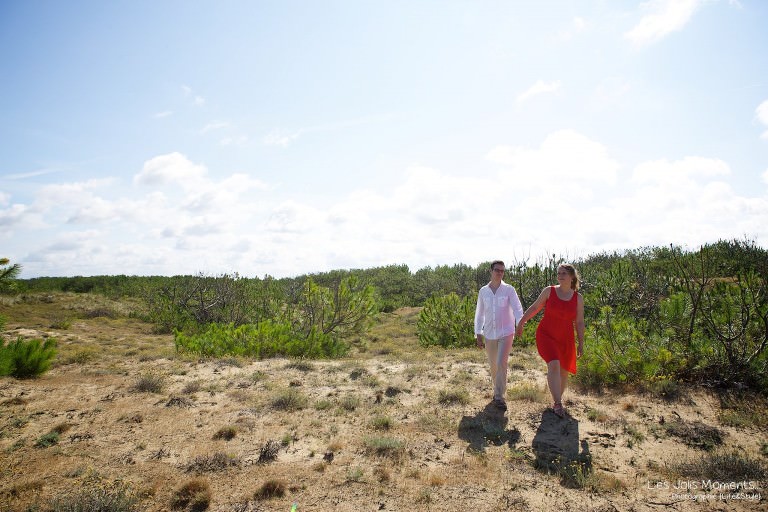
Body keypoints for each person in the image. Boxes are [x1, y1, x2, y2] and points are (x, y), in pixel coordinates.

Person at [515, 264, 585, 418]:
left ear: (572, 276)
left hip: (566, 338)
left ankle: (555, 400)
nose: (560, 276)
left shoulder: (578, 298)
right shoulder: (549, 291)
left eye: (564, 273)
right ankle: (558, 403)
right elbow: (535, 308)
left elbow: (579, 322)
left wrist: (581, 342)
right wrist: (521, 322)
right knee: (554, 365)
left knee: (564, 372)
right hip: (546, 334)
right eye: (559, 273)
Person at [474, 260, 524, 411]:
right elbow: (480, 313)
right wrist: (478, 332)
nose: (500, 273)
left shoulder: (509, 290)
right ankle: (498, 390)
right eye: (497, 270)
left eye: (502, 271)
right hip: (489, 334)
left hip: (506, 332)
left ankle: (499, 397)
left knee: (502, 362)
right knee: (493, 364)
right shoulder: (483, 291)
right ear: (491, 271)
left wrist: (519, 324)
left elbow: (517, 308)